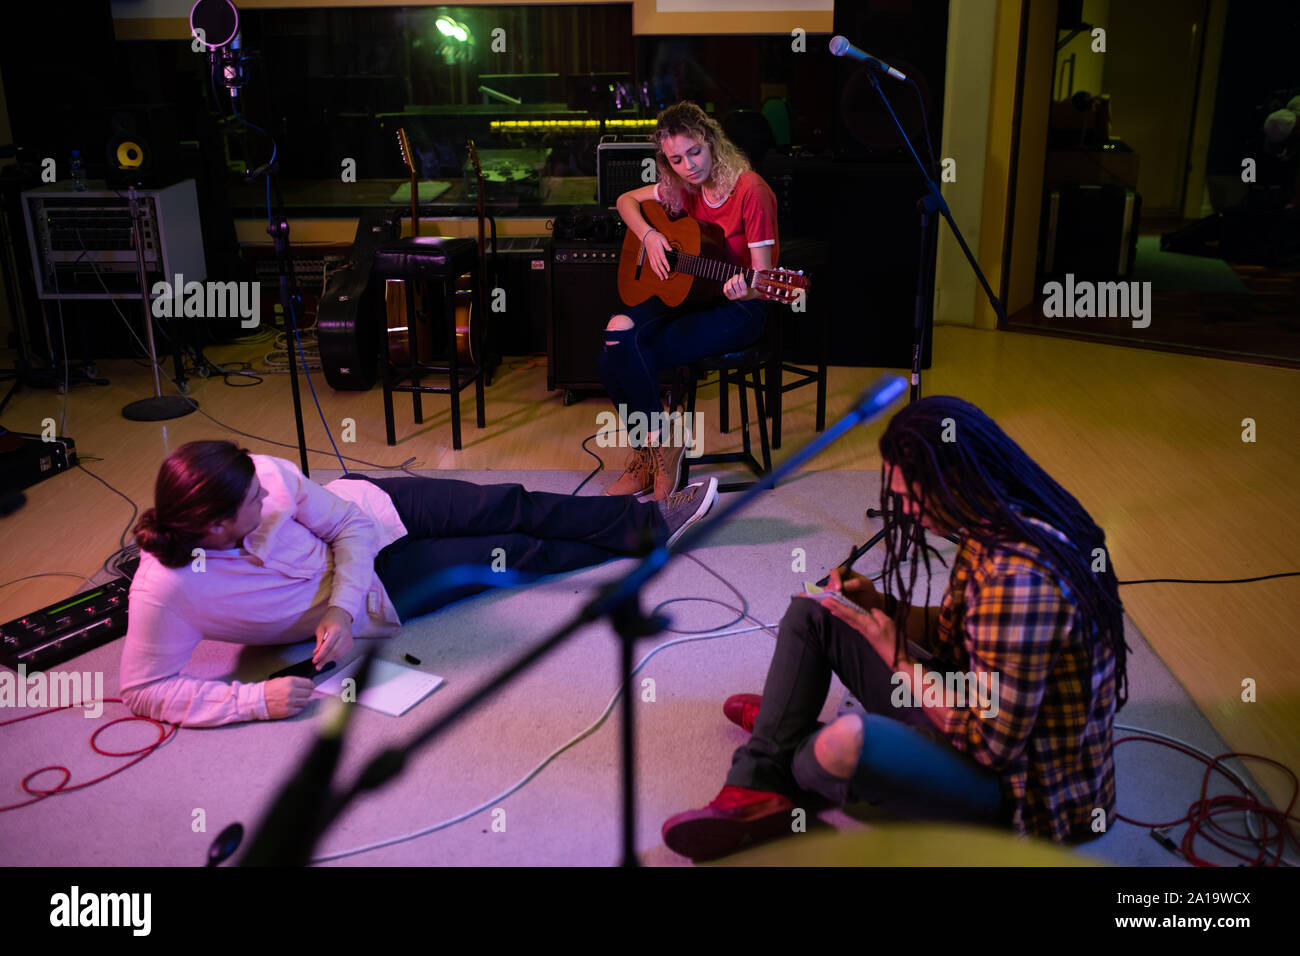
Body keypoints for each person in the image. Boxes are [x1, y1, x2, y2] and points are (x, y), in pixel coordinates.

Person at [661, 396, 1128, 861]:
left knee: (833, 750)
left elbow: (991, 747)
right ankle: (764, 766)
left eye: (908, 496)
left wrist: (897, 656)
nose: (901, 509)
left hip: (1020, 792)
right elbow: (952, 638)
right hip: (974, 703)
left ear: (954, 484)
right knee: (814, 612)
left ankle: (783, 737)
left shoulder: (1018, 583)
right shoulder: (995, 520)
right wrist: (880, 603)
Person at [120, 440, 718, 728]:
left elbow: (349, 524)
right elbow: (144, 690)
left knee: (505, 502)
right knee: (511, 553)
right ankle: (640, 539)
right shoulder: (164, 591)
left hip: (372, 511)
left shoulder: (267, 478)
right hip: (383, 588)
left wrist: (338, 614)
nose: (266, 497)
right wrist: (251, 701)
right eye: (253, 502)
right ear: (216, 524)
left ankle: (648, 522)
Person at [600, 101, 780, 501]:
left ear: (711, 142)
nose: (688, 166)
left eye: (694, 152)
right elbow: (626, 202)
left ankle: (657, 451)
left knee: (622, 353)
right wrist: (649, 235)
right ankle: (657, 446)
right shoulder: (681, 186)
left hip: (740, 307)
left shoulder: (751, 189)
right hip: (692, 295)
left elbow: (764, 280)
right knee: (614, 338)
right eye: (676, 159)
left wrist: (745, 288)